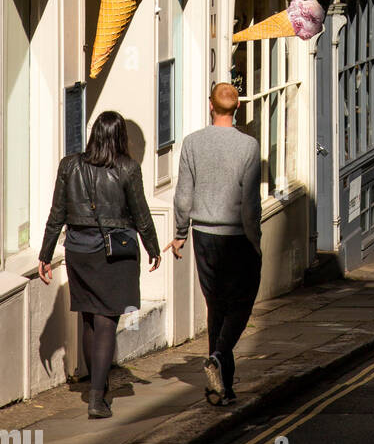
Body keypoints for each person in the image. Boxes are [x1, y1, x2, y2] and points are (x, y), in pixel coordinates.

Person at [37, 111, 161, 419]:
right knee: (106, 320)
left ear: (93, 134)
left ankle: (99, 387)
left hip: (78, 250)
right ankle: (96, 397)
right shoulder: (128, 169)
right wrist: (153, 248)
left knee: (90, 319)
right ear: (120, 137)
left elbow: (57, 213)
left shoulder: (69, 165)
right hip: (113, 253)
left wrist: (45, 254)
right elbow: (141, 213)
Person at [166, 82, 261, 407]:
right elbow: (250, 203)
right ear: (237, 109)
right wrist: (255, 240)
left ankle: (221, 388)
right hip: (237, 236)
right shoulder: (248, 146)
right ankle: (219, 356)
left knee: (216, 306)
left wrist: (180, 233)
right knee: (241, 303)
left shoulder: (192, 143)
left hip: (203, 236)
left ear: (210, 106)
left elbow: (183, 197)